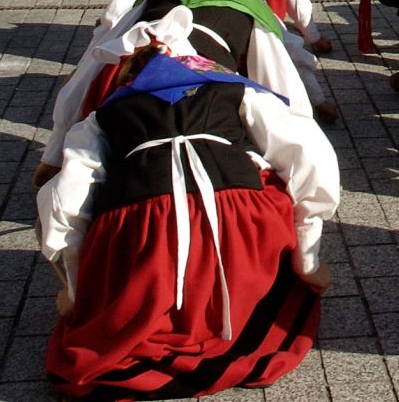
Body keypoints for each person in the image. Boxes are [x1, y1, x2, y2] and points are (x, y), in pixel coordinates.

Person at [37, 44, 338, 395]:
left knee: (123, 260)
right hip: (242, 219)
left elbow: (66, 201)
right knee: (269, 182)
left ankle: (157, 326)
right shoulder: (234, 90)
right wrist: (307, 257)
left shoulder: (102, 117)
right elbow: (309, 157)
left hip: (144, 228)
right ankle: (244, 316)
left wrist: (77, 289)